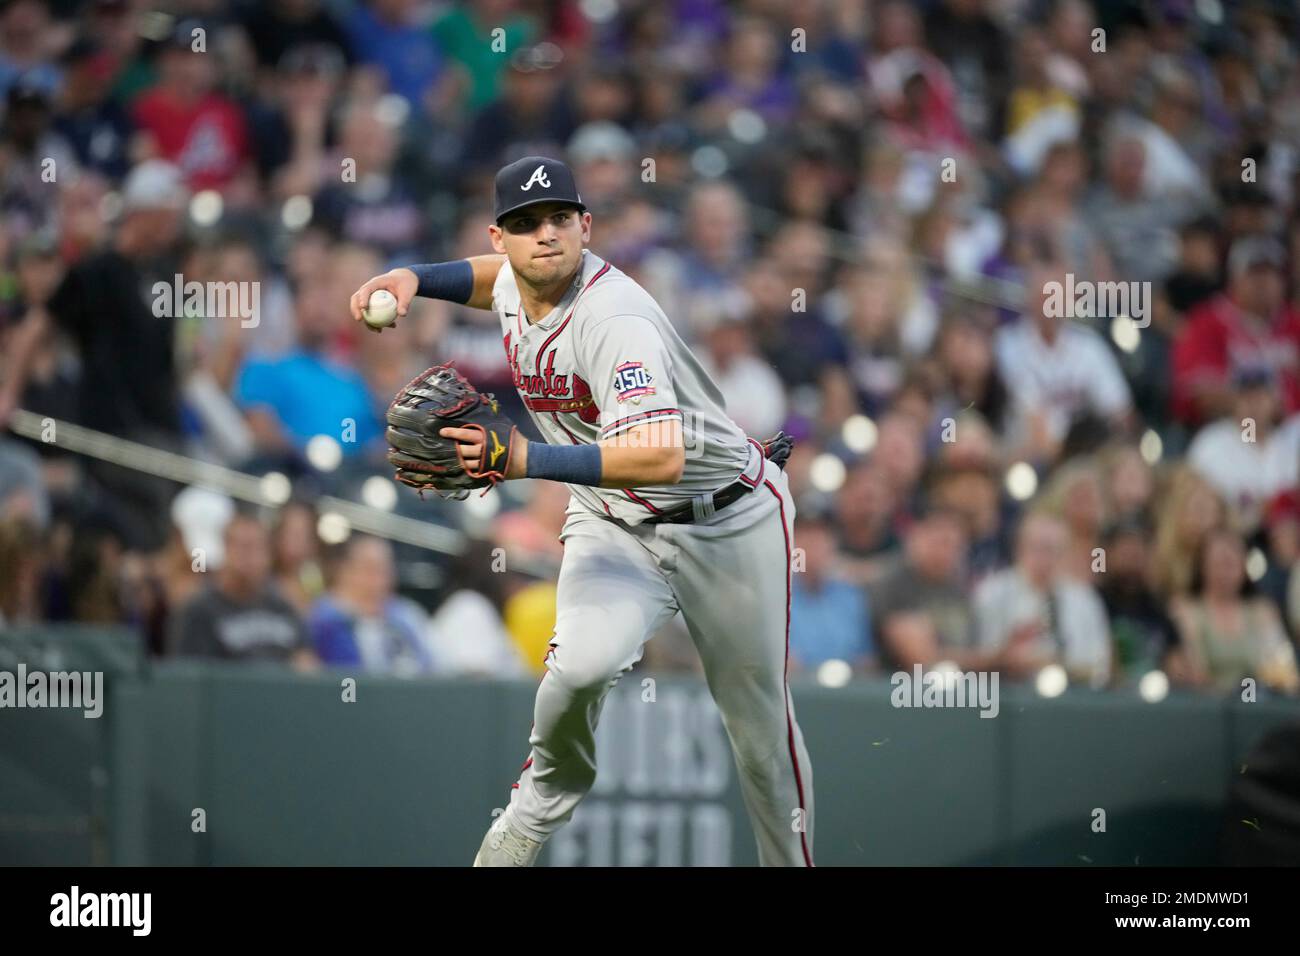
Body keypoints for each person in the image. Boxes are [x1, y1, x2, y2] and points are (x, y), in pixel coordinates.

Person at [349, 156, 814, 867]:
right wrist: (417, 278)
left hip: (726, 518)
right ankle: (533, 813)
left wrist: (524, 460)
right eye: (525, 224)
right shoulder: (517, 276)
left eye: (559, 219)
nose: (545, 235)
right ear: (502, 237)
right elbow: (490, 281)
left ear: (585, 227)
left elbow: (660, 457)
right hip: (613, 520)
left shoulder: (615, 317)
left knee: (760, 740)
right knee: (576, 671)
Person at [972, 511, 1112, 688]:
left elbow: (1099, 664)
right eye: (1038, 548)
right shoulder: (993, 593)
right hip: (1008, 694)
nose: (1046, 559)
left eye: (1054, 550)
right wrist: (1007, 655)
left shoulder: (1084, 599)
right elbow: (979, 656)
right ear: (1020, 548)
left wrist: (1056, 664)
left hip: (1075, 695)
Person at [171, 512, 318, 669]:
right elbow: (189, 678)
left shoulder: (282, 606)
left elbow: (306, 661)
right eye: (243, 547)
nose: (250, 558)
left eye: (258, 548)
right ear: (226, 549)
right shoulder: (199, 609)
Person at [1170, 528, 1299, 695]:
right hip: (1207, 704)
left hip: (1254, 703)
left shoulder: (1261, 610)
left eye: (1233, 563)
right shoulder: (1187, 610)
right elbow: (1195, 674)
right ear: (1202, 566)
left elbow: (1283, 672)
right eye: (1220, 563)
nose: (1227, 572)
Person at [307, 534, 431, 675]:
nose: (380, 579)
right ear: (345, 571)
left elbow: (438, 668)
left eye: (385, 569)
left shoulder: (407, 615)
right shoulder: (322, 619)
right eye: (370, 569)